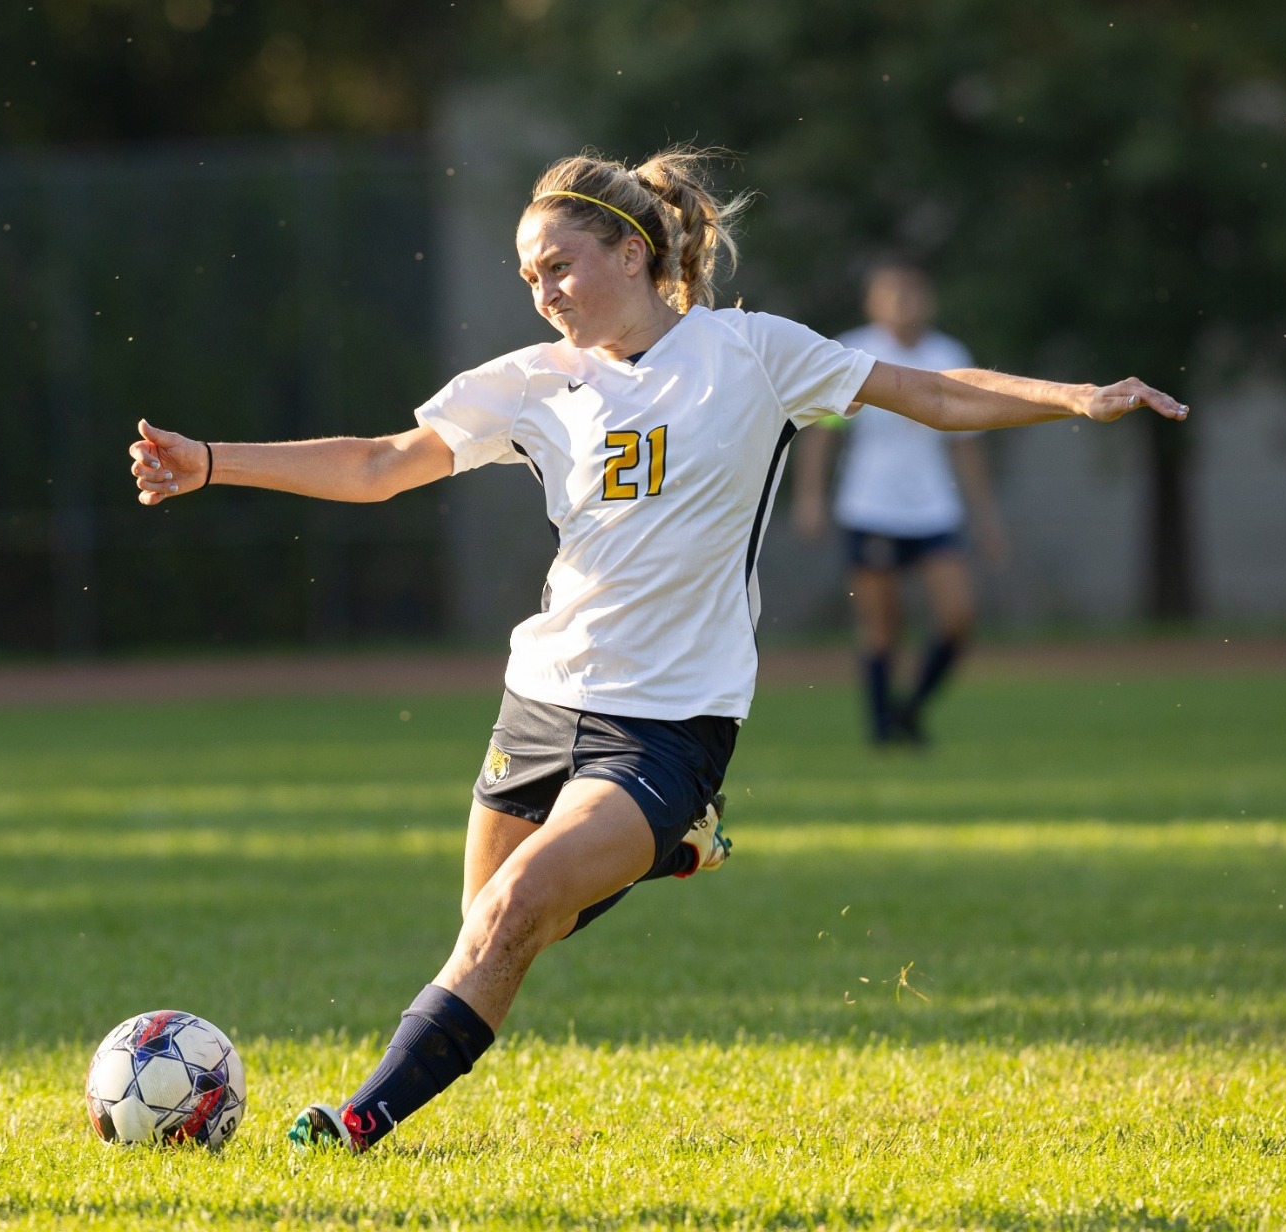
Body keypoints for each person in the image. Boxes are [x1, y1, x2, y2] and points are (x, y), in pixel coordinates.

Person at [126, 147, 1186, 1153]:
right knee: (492, 931)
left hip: (670, 718)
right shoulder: (533, 380)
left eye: (558, 265)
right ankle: (677, 846)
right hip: (538, 697)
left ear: (630, 253)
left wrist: (1073, 399)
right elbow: (376, 463)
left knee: (512, 913)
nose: (541, 290)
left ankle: (355, 1120)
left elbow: (931, 393)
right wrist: (211, 461)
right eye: (525, 274)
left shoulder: (750, 352)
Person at [792, 256, 1009, 745]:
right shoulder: (856, 351)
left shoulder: (949, 352)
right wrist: (810, 497)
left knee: (958, 617)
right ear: (873, 301)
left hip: (935, 508)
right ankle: (882, 730)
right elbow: (822, 433)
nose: (905, 302)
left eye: (914, 291)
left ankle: (909, 709)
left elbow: (967, 446)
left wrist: (988, 518)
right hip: (871, 507)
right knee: (883, 626)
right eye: (893, 292)